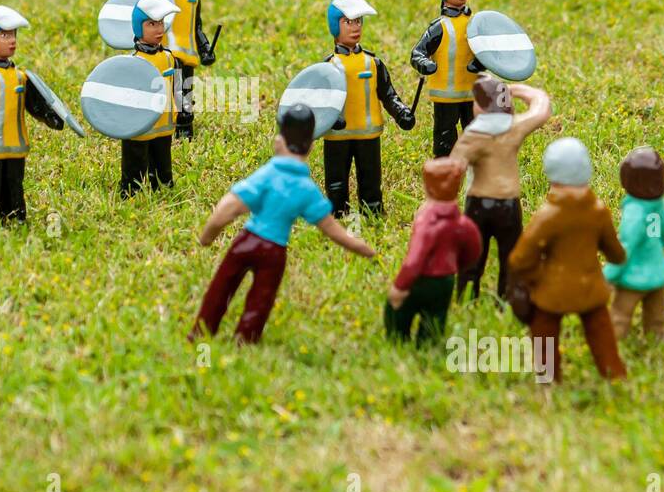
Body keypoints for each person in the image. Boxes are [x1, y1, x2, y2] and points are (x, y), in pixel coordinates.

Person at [192, 104, 373, 343]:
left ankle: (202, 331)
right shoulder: (307, 189)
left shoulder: (267, 175)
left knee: (222, 285)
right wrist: (359, 246)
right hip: (275, 252)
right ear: (310, 145)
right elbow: (331, 228)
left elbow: (229, 208)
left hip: (247, 241)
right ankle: (245, 339)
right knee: (261, 299)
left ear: (280, 140)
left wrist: (207, 236)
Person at [505, 138, 627, 381]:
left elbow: (519, 259)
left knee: (544, 334)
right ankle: (613, 373)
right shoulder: (598, 211)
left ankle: (550, 377)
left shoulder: (548, 216)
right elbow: (615, 253)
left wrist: (538, 278)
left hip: (552, 293)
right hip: (590, 287)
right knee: (601, 330)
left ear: (550, 173)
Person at [448, 76, 552, 301]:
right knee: (512, 254)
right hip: (508, 203)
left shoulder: (473, 136)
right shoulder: (515, 127)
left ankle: (467, 294)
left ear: (480, 105)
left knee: (473, 253)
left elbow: (453, 169)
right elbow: (542, 109)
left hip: (478, 202)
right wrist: (522, 90)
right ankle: (509, 295)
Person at [0, 6, 65, 224]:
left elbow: (35, 105)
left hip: (16, 147)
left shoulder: (20, 77)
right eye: (4, 35)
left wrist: (52, 118)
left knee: (14, 185)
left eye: (13, 35)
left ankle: (15, 216)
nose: (11, 40)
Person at [322, 0, 416, 217]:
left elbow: (388, 94)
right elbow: (319, 101)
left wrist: (401, 111)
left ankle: (372, 210)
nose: (355, 27)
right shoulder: (327, 67)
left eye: (358, 22)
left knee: (370, 177)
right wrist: (329, 117)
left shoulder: (373, 63)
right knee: (336, 179)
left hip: (368, 134)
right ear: (336, 26)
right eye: (348, 22)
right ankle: (337, 211)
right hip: (337, 137)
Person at [385, 157, 481, 344]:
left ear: (427, 187)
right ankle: (428, 342)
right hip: (446, 280)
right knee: (436, 314)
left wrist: (400, 286)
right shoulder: (462, 222)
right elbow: (474, 247)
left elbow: (414, 258)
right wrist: (459, 264)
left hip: (422, 277)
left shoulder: (427, 222)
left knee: (398, 309)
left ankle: (398, 338)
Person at [411, 0, 485, 157]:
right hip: (445, 95)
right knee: (445, 135)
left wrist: (480, 62)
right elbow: (417, 53)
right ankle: (445, 165)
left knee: (475, 132)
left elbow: (485, 50)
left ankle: (475, 162)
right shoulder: (439, 27)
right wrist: (424, 64)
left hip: (471, 92)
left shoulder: (475, 22)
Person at [605, 147, 664, 340]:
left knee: (620, 314)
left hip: (634, 277)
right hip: (657, 273)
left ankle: (614, 341)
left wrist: (610, 274)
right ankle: (657, 338)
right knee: (657, 315)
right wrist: (655, 246)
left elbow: (626, 246)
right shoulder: (663, 206)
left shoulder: (635, 212)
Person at [121, 0, 187, 197]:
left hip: (163, 126)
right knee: (135, 162)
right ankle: (131, 190)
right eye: (151, 24)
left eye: (161, 23)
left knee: (162, 162)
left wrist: (183, 108)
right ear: (138, 26)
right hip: (138, 128)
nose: (159, 29)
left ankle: (163, 186)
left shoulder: (169, 58)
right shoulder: (132, 62)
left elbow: (178, 86)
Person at [155, 0, 218, 140]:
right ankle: (164, 130)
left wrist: (205, 48)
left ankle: (184, 131)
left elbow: (196, 25)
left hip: (187, 57)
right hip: (166, 56)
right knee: (167, 95)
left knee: (185, 96)